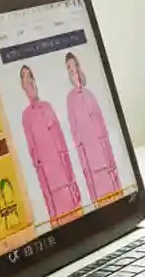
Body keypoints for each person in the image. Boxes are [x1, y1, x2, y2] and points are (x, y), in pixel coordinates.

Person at [19, 64, 81, 222]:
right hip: (49, 180)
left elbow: (62, 143)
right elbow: (34, 154)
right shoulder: (26, 117)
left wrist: (71, 179)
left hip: (63, 175)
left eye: (30, 77)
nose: (29, 82)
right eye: (24, 78)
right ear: (22, 85)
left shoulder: (47, 107)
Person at [63, 52, 122, 202]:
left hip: (103, 156)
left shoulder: (90, 94)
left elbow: (102, 127)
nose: (72, 69)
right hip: (90, 161)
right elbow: (75, 134)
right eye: (68, 67)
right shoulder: (70, 100)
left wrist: (109, 158)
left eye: (73, 65)